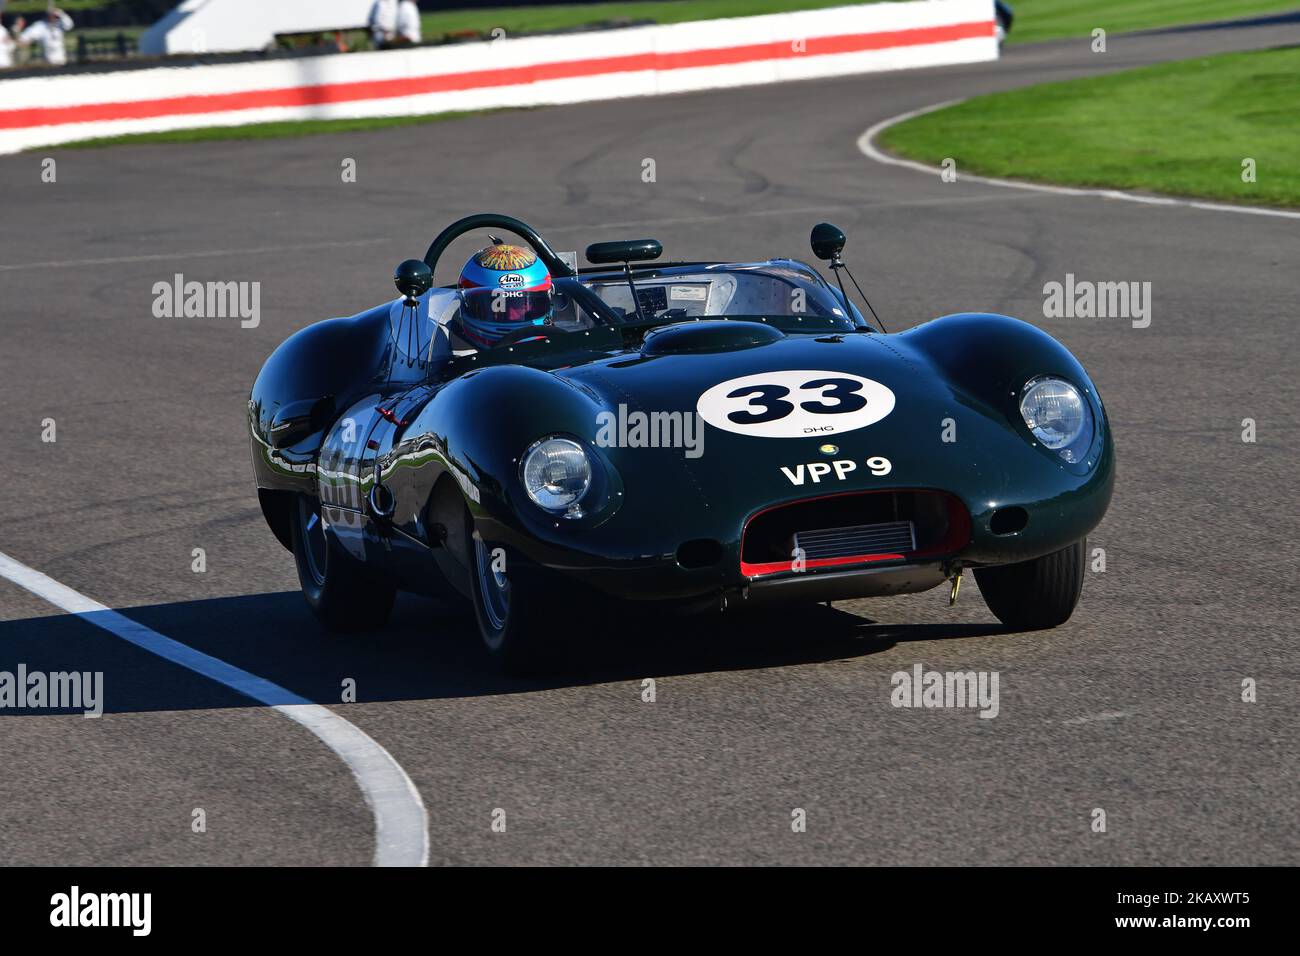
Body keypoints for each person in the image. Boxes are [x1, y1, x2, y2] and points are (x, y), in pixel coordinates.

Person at [452, 242, 555, 350]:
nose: (512, 315)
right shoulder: (449, 350)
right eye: (498, 310)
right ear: (467, 303)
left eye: (520, 307)